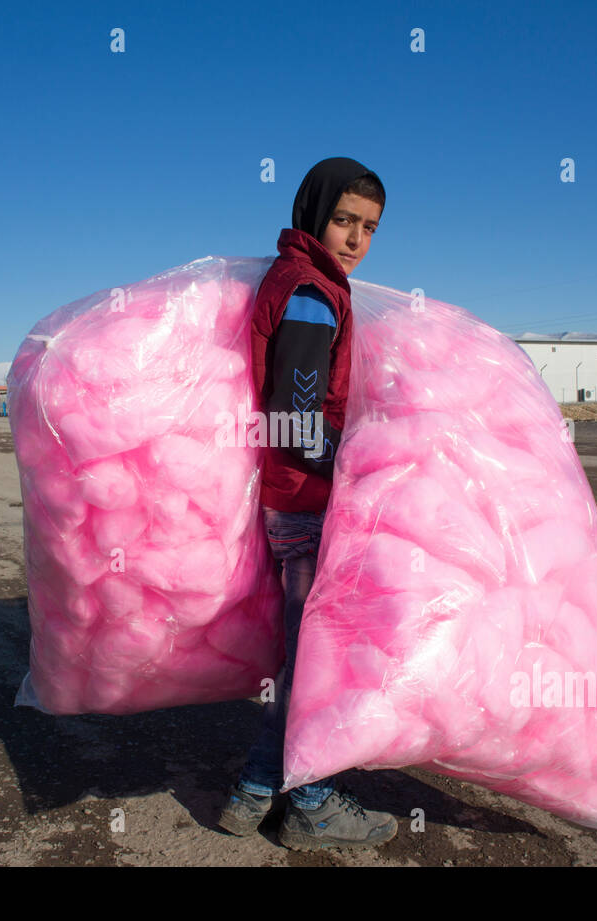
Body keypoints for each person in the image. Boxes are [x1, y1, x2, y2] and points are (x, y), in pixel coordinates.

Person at [217, 157, 398, 851]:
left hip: (291, 497)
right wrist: (354, 468)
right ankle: (313, 802)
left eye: (370, 228)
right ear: (313, 213)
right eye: (344, 220)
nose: (355, 238)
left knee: (304, 652)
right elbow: (293, 419)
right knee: (323, 656)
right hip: (306, 501)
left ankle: (255, 791)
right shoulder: (310, 293)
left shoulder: (301, 281)